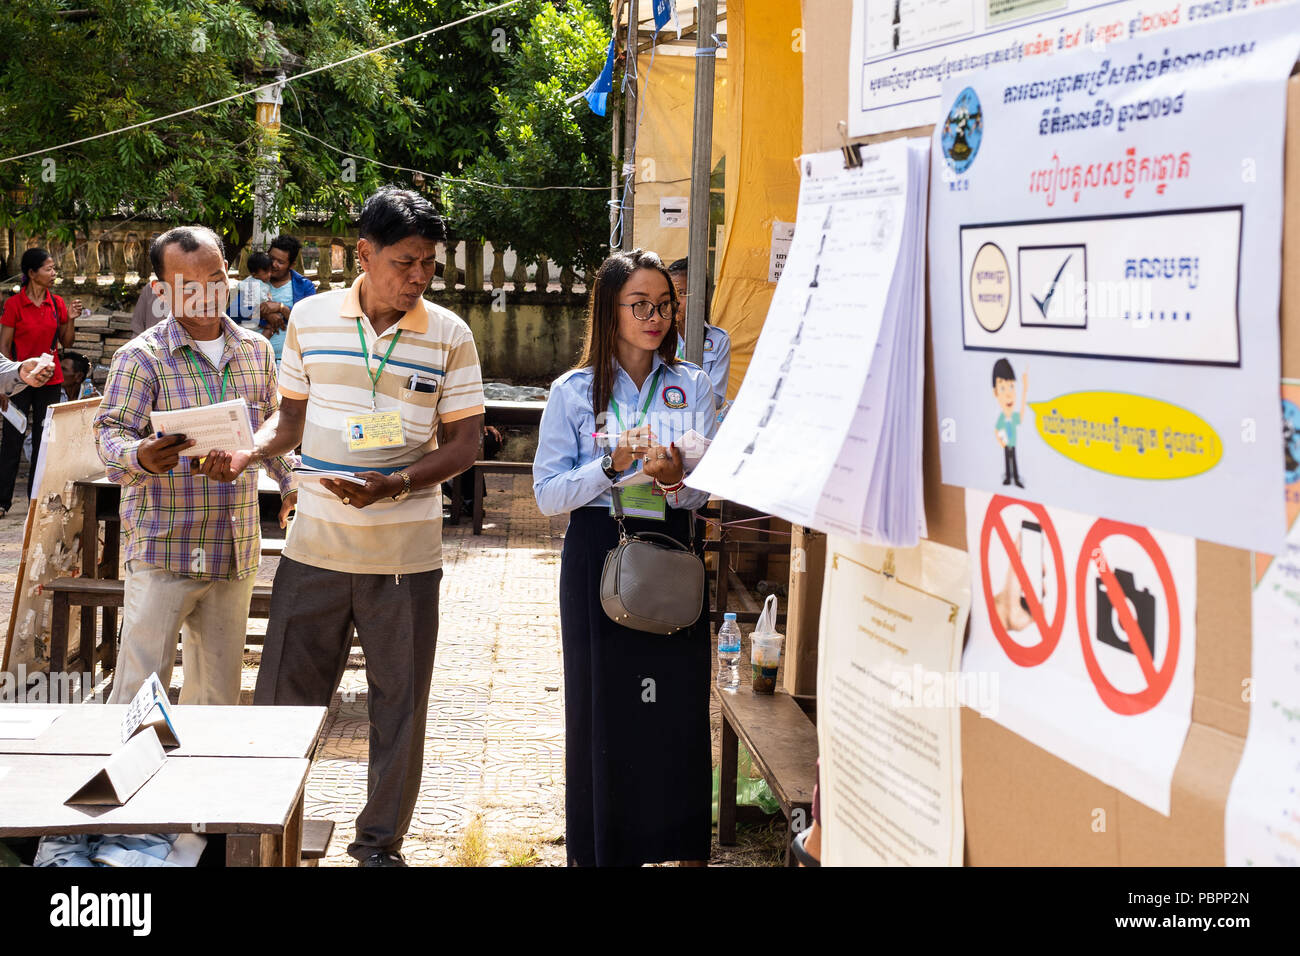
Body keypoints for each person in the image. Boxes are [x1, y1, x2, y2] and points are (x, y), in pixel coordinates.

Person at [208, 187, 485, 868]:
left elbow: (466, 443)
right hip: (315, 548)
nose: (418, 276)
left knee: (400, 710)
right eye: (404, 262)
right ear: (364, 254)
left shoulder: (449, 334)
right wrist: (250, 450)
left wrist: (399, 482)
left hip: (404, 558)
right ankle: (263, 838)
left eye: (428, 263)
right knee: (282, 702)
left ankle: (378, 847)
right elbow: (289, 421)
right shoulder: (308, 319)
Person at [533, 248, 717, 867]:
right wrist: (609, 466)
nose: (655, 317)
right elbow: (548, 494)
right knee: (602, 706)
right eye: (639, 305)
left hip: (671, 549)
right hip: (597, 552)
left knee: (676, 704)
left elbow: (703, 490)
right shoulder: (574, 391)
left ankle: (680, 846)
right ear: (608, 312)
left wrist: (670, 479)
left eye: (664, 305)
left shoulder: (691, 384)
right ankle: (602, 849)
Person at [93, 225, 298, 706]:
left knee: (217, 697)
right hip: (165, 547)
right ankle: (122, 779)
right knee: (140, 694)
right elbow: (107, 435)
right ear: (161, 291)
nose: (206, 293)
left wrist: (291, 485)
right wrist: (140, 455)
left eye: (216, 278)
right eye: (188, 285)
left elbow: (274, 428)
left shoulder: (256, 351)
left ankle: (198, 780)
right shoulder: (141, 358)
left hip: (234, 546)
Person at [0, 248, 80, 517]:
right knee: (12, 439)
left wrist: (71, 319)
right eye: (48, 268)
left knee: (45, 442)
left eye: (53, 268)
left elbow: (67, 343)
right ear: (32, 274)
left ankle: (38, 500)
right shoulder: (14, 305)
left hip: (50, 380)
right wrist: (5, 384)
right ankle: (2, 501)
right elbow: (4, 346)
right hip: (21, 381)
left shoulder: (57, 303)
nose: (53, 273)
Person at [667, 257, 731, 411]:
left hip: (700, 424)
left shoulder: (718, 340)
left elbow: (715, 398)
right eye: (671, 294)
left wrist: (674, 399)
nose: (674, 301)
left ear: (700, 296)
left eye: (682, 293)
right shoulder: (658, 337)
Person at [992, 357, 1027, 488]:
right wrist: (1001, 442)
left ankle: (1015, 478)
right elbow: (996, 430)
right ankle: (1008, 477)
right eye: (1002, 388)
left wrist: (1025, 391)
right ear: (995, 392)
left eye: (1011, 386)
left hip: (1013, 442)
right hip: (1007, 443)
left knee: (1014, 461)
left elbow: (1022, 416)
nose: (1008, 394)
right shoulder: (1002, 417)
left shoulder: (1012, 416)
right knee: (1007, 460)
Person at [227, 251, 273, 329]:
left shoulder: (248, 280)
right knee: (269, 329)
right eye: (266, 272)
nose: (269, 274)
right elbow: (264, 304)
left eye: (270, 271)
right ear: (254, 274)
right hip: (251, 314)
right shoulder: (259, 285)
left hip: (243, 317)